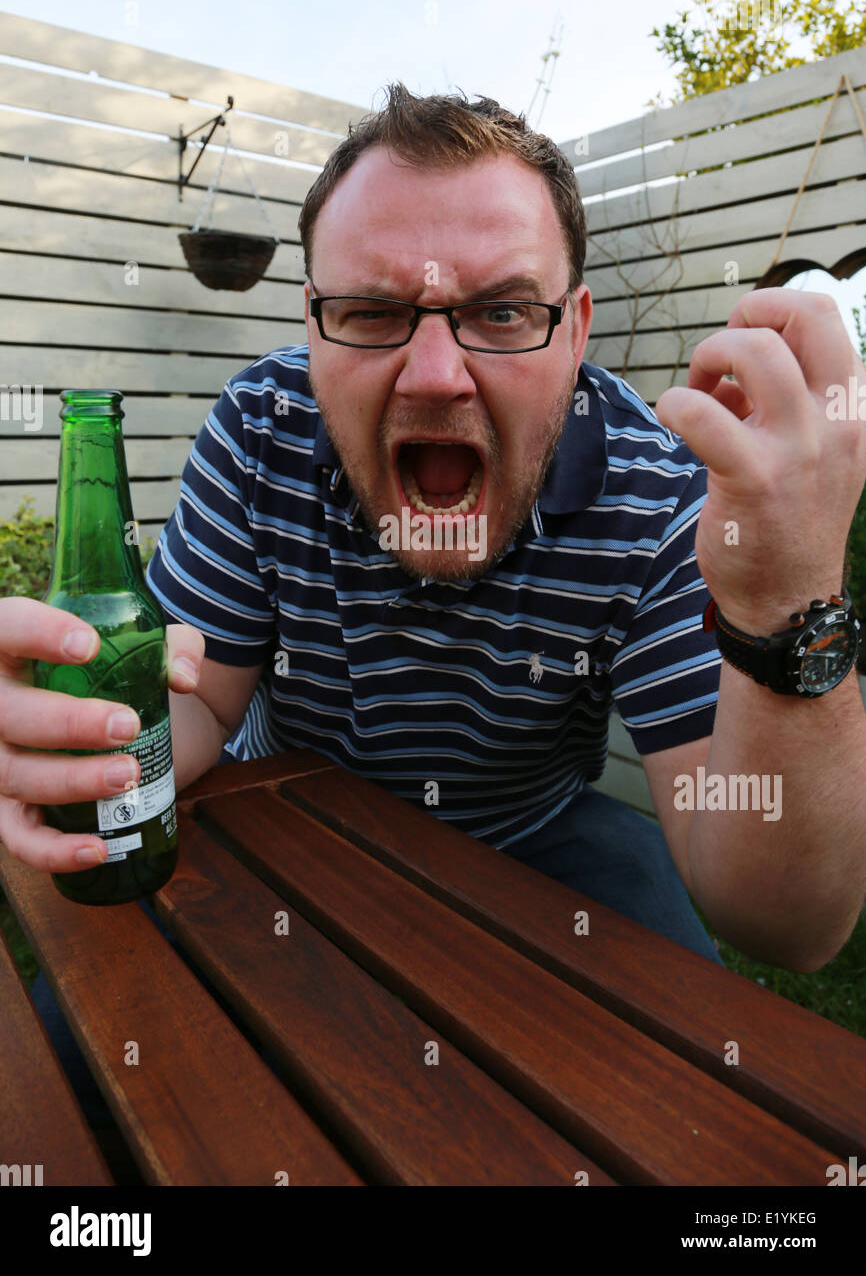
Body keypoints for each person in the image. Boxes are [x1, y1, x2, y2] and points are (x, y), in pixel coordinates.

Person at [4, 85, 866, 1135]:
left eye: (502, 311)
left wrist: (791, 600)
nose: (434, 376)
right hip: (293, 800)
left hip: (539, 828)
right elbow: (190, 708)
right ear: (311, 327)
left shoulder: (658, 487)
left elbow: (788, 923)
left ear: (575, 330)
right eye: (368, 312)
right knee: (77, 1063)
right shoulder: (258, 434)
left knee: (695, 1099)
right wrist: (83, 732)